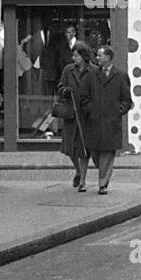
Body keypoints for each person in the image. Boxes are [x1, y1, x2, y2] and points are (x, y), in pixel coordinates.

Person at [81, 44, 133, 193]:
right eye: (97, 55)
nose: (97, 58)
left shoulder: (120, 76)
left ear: (108, 57)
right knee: (96, 153)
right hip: (95, 121)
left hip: (111, 122)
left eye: (100, 55)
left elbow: (127, 99)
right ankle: (102, 174)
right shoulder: (91, 75)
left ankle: (103, 184)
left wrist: (118, 111)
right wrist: (90, 110)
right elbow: (84, 97)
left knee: (108, 153)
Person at [57, 41, 94, 191]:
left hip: (86, 115)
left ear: (84, 56)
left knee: (84, 149)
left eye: (76, 55)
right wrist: (64, 90)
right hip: (71, 113)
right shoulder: (68, 70)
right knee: (70, 148)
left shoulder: (93, 71)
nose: (73, 58)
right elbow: (60, 85)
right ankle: (78, 170)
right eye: (73, 55)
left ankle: (83, 181)